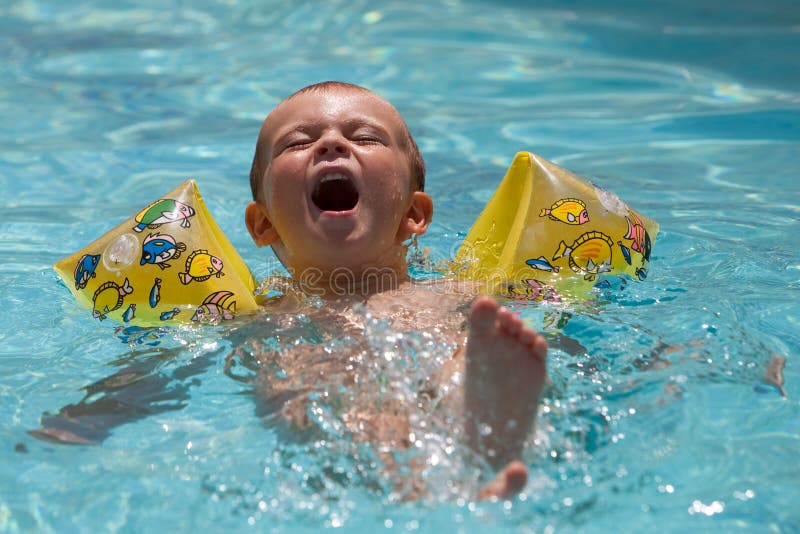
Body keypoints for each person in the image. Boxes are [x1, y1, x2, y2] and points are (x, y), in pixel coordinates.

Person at [244, 81, 548, 500]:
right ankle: (450, 479)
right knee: (304, 381)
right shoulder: (255, 313)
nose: (331, 144)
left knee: (465, 357)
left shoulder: (459, 294)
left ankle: (484, 425)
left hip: (442, 364)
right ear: (263, 224)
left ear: (413, 213)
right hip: (326, 402)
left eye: (365, 138)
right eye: (297, 143)